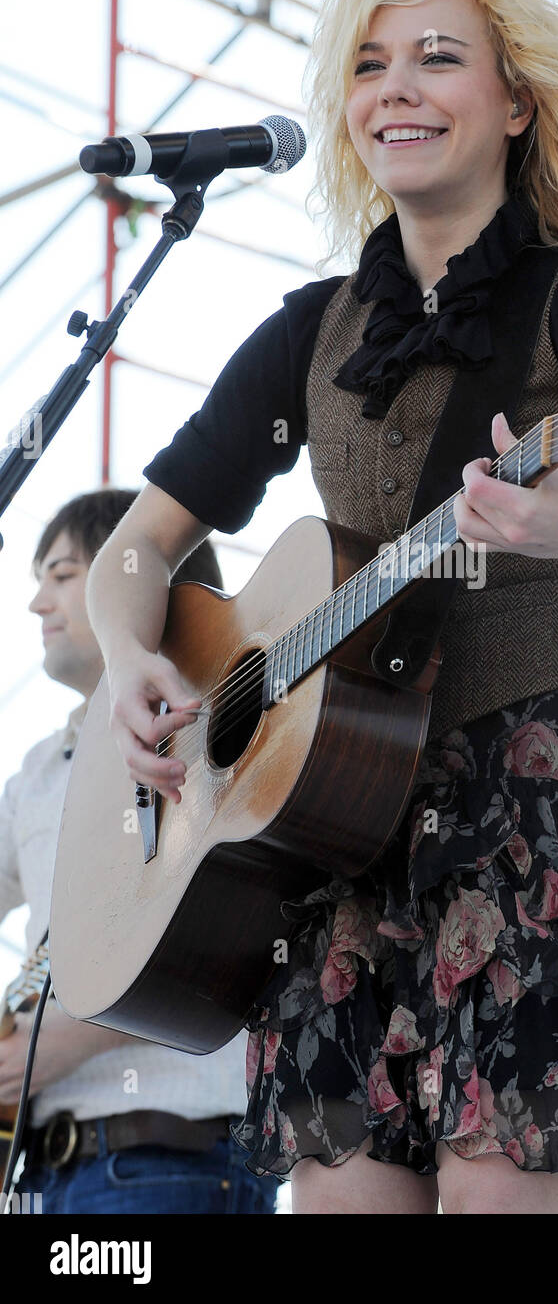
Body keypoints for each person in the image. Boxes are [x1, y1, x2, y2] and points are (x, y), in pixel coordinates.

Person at [85, 0, 558, 1215]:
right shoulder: (312, 330)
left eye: (436, 57)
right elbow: (141, 544)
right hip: (334, 849)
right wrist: (138, 655)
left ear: (517, 102)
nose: (393, 87)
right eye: (367, 64)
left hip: (525, 807)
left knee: (493, 1196)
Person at [0, 489, 278, 1215]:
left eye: (62, 575)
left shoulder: (225, 731)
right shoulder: (35, 769)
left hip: (170, 1154)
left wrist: (74, 1037)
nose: (36, 602)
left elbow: (236, 932)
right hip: (40, 1178)